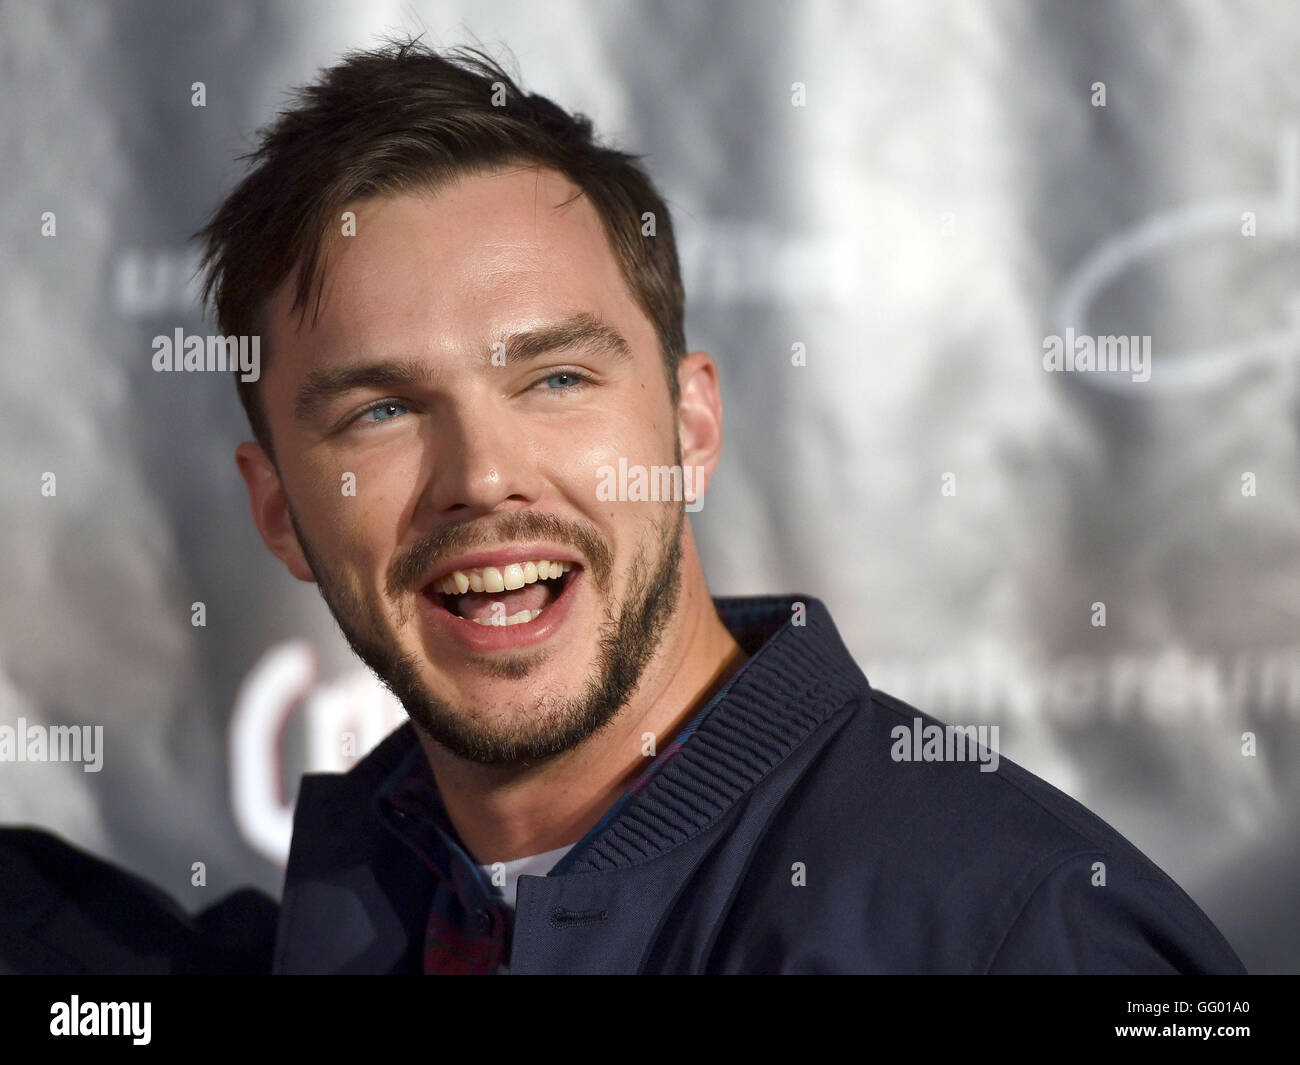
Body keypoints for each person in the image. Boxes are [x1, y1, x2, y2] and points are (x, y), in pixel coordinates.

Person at [182, 36, 1242, 974]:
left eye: (555, 380)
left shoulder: (1012, 937)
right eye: (381, 411)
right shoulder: (360, 907)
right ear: (278, 512)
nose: (481, 477)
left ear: (689, 428)